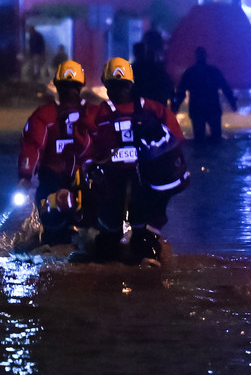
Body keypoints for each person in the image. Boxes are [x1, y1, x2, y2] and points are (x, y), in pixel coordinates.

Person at [81, 57, 189, 263]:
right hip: (142, 179)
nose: (115, 91)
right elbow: (177, 141)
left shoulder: (98, 113)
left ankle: (116, 263)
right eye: (115, 86)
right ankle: (144, 259)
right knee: (137, 234)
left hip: (125, 180)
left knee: (112, 237)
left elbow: (85, 147)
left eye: (115, 86)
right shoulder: (154, 109)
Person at [17, 60, 93, 247]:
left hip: (73, 183)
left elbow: (32, 146)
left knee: (53, 216)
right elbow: (32, 146)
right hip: (73, 183)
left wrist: (25, 176)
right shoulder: (93, 113)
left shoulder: (44, 115)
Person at [174, 46, 238, 141]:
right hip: (212, 108)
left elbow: (181, 92)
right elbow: (225, 88)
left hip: (197, 109)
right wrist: (232, 103)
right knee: (216, 138)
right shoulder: (213, 71)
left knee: (199, 138)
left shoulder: (190, 72)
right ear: (205, 57)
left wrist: (175, 108)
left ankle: (200, 154)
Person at [131, 42, 175, 110]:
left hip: (143, 104)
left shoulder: (133, 69)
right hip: (156, 103)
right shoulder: (156, 67)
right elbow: (168, 84)